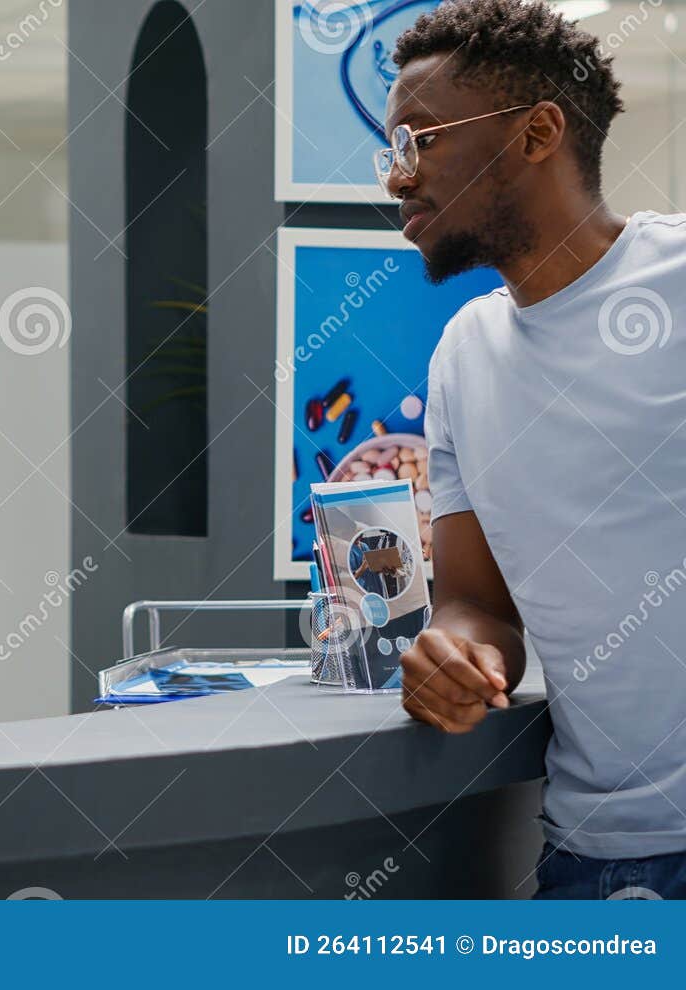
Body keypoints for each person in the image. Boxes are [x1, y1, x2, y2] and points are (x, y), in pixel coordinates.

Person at [381, 0, 686, 898]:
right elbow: (480, 604)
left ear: (539, 132)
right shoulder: (463, 357)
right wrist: (456, 653)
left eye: (421, 142)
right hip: (592, 854)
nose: (398, 180)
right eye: (393, 150)